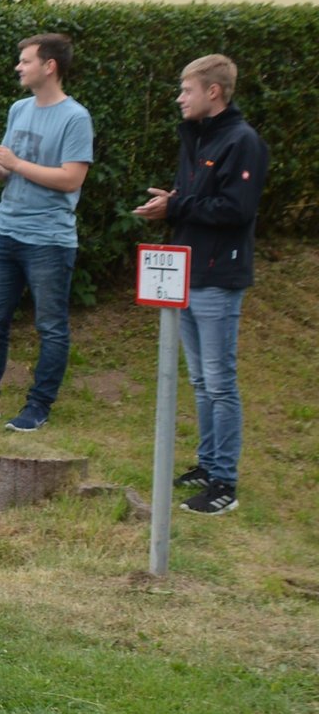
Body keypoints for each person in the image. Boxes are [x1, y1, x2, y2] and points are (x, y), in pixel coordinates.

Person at [133, 54, 268, 517]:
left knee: (219, 382)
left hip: (218, 276)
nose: (179, 97)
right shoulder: (195, 137)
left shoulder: (242, 141)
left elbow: (236, 209)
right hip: (186, 272)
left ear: (213, 92)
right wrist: (171, 204)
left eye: (186, 90)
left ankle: (223, 481)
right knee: (199, 380)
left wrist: (176, 207)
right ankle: (207, 464)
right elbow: (195, 200)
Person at [0, 34, 94, 432]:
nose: (18, 67)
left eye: (25, 61)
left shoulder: (76, 118)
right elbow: (14, 164)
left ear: (50, 67)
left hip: (49, 240)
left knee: (50, 327)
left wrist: (15, 162)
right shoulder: (18, 109)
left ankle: (38, 407)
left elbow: (70, 179)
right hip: (6, 232)